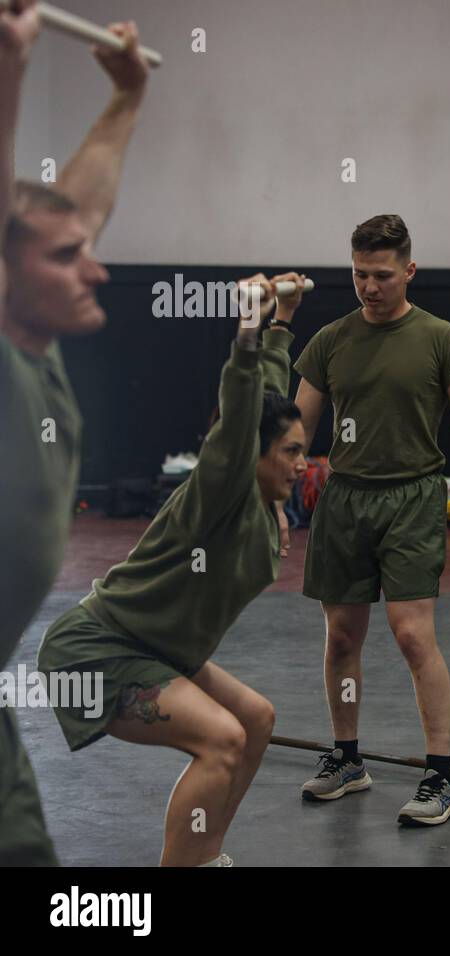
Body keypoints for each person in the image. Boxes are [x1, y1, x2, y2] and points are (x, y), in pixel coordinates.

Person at [38, 274, 310, 866]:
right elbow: (242, 414)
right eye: (290, 451)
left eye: (302, 449)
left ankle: (204, 853)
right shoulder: (219, 493)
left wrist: (282, 323)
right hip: (95, 651)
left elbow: (266, 401)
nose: (301, 461)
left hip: (159, 650)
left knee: (255, 720)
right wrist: (246, 329)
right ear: (252, 455)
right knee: (222, 738)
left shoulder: (265, 504)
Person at [0, 3, 149, 865]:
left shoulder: (37, 347)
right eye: (63, 259)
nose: (94, 266)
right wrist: (11, 69)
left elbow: (74, 210)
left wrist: (127, 97)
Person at [292, 214, 450, 826]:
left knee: (412, 635)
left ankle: (442, 776)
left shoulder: (439, 337)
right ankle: (348, 759)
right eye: (358, 274)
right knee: (343, 638)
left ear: (409, 271)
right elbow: (297, 427)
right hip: (345, 500)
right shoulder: (330, 339)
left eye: (381, 275)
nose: (369, 287)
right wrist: (276, 487)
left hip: (411, 498)